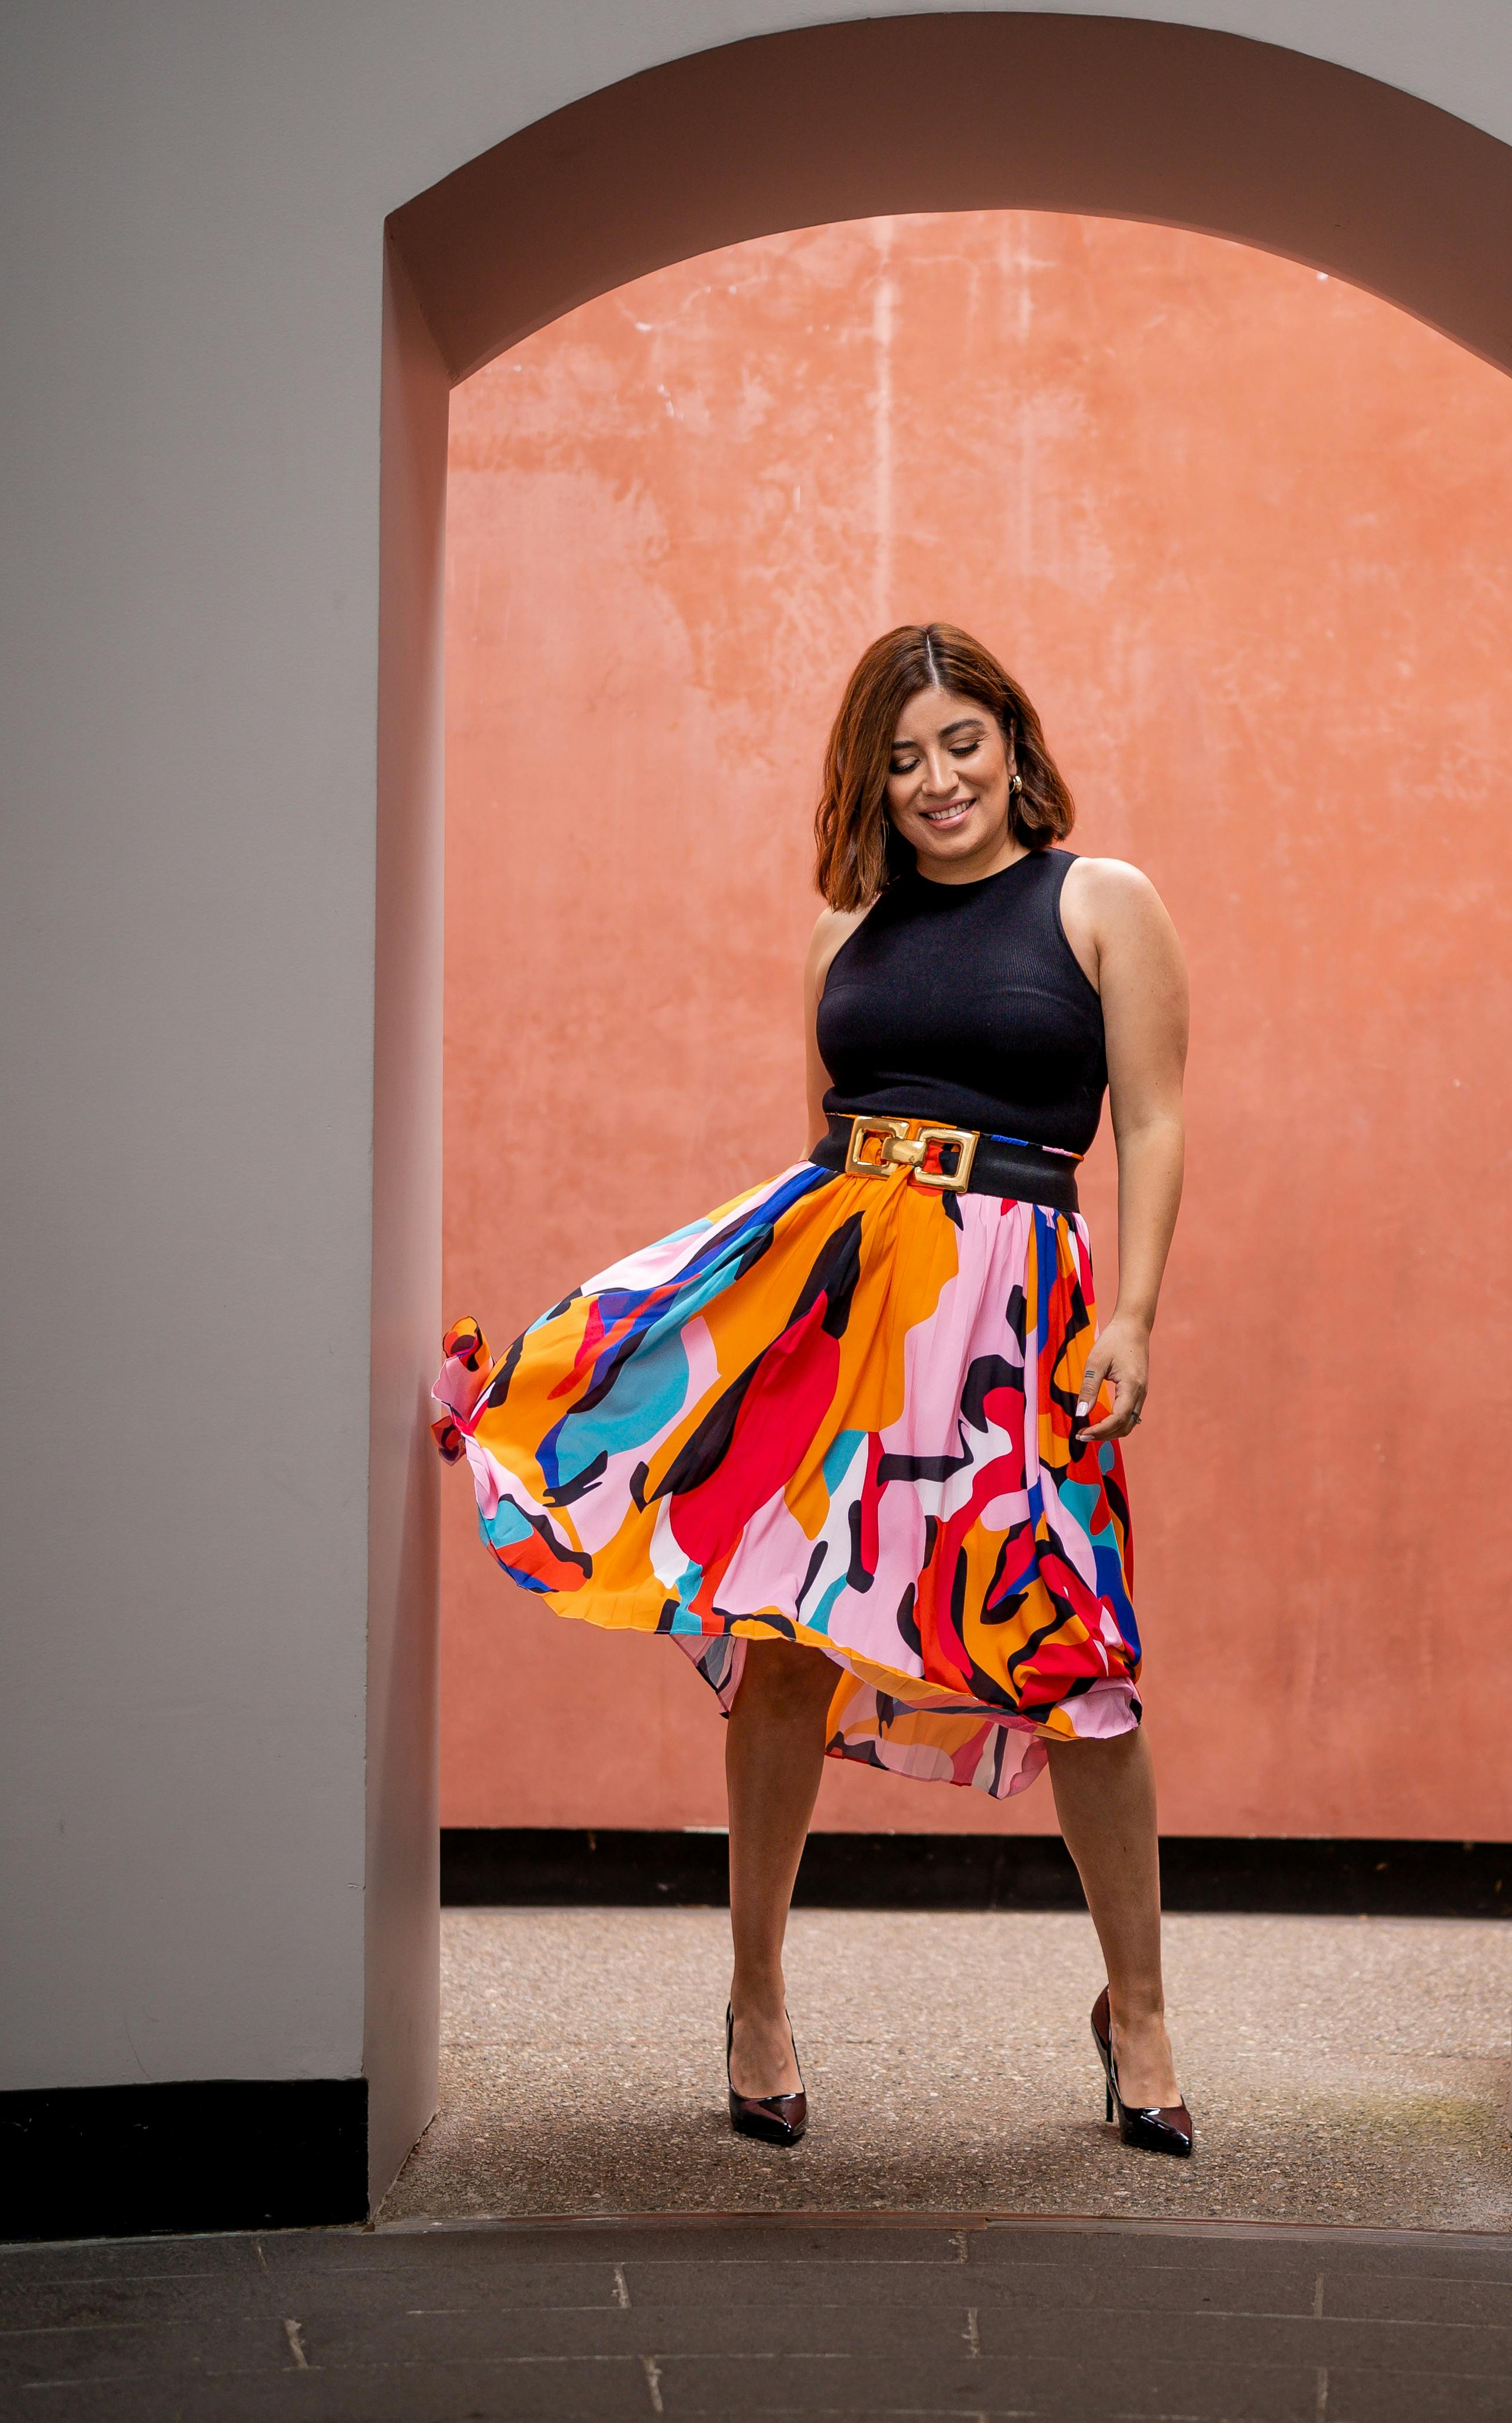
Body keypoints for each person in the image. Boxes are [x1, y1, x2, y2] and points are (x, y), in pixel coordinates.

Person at [433, 622, 1193, 2155]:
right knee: (783, 1640)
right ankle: (759, 1992)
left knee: (1077, 1657)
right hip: (846, 1310)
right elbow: (821, 1152)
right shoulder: (844, 925)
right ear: (873, 780)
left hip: (1016, 1322)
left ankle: (1141, 2010)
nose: (938, 780)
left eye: (962, 741)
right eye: (903, 758)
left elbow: (1159, 1121)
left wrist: (1133, 1319)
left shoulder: (1101, 901)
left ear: (1013, 739)